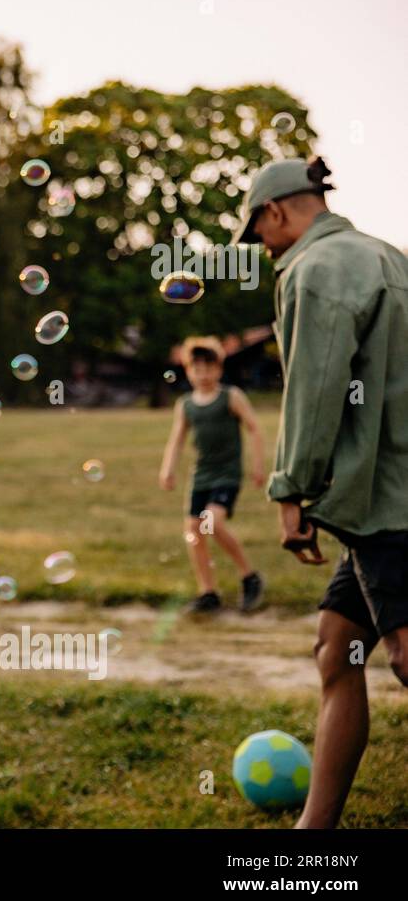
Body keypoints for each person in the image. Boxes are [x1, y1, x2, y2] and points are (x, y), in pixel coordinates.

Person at [233, 155, 408, 828]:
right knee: (339, 644)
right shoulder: (388, 256)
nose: (264, 248)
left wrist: (292, 492)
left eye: (260, 233)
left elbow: (314, 389)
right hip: (378, 496)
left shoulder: (313, 270)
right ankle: (315, 831)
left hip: (385, 501)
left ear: (275, 211)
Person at [158, 335, 266, 612]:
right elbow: (177, 439)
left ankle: (249, 576)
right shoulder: (186, 404)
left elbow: (254, 428)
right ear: (188, 371)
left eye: (209, 368)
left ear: (219, 369)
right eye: (197, 368)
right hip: (202, 475)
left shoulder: (231, 397)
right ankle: (208, 592)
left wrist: (257, 466)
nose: (203, 374)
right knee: (194, 532)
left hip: (227, 474)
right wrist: (168, 469)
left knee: (212, 522)